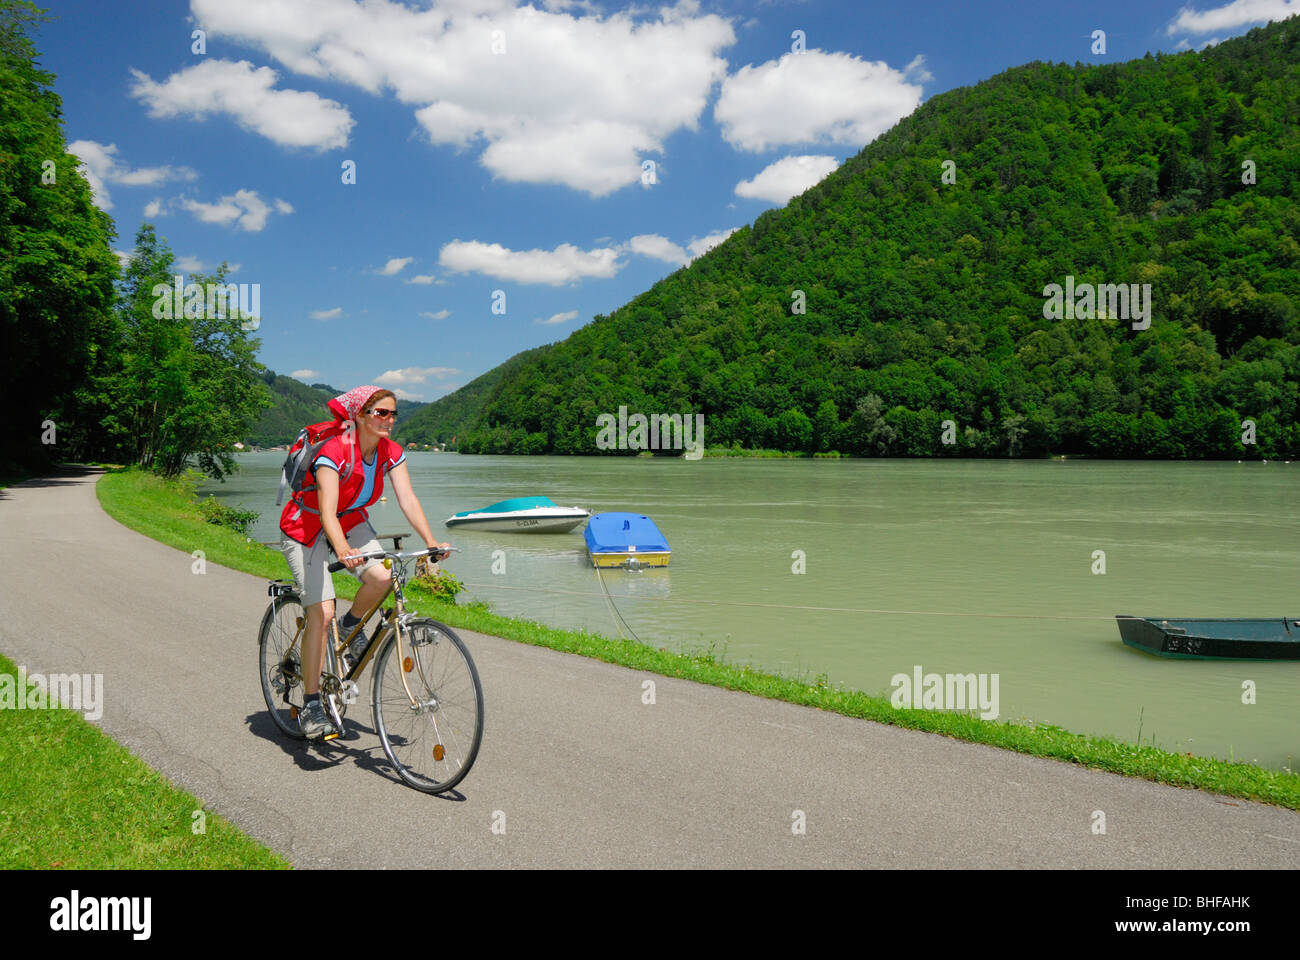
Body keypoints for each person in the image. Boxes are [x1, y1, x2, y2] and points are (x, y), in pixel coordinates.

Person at [279, 384, 448, 738]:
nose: (389, 420)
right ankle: (311, 704)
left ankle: (351, 623)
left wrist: (431, 541)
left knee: (382, 578)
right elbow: (326, 509)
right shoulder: (335, 450)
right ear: (359, 415)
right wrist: (340, 550)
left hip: (352, 521)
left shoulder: (390, 451)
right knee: (320, 614)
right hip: (306, 525)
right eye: (380, 413)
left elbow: (407, 499)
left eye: (392, 414)